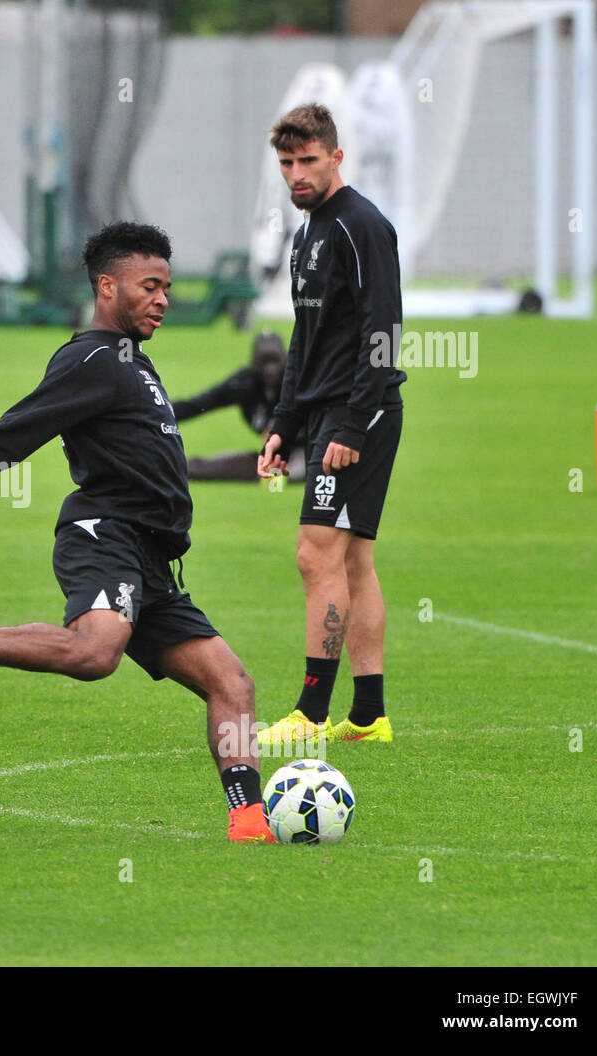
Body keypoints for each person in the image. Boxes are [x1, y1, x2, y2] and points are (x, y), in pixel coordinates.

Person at [0, 222, 276, 843]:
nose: (162, 299)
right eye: (149, 286)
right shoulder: (91, 358)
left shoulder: (131, 361)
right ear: (107, 286)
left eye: (167, 288)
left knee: (232, 682)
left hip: (151, 561)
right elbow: (27, 425)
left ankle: (249, 820)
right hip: (107, 536)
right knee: (94, 653)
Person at [256, 103, 406, 746]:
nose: (297, 174)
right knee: (354, 561)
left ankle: (310, 713)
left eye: (308, 161)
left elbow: (384, 330)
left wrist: (349, 423)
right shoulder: (307, 233)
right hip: (321, 414)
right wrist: (283, 422)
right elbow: (305, 338)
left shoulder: (362, 226)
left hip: (357, 415)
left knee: (315, 555)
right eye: (287, 163)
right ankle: (369, 716)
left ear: (336, 157)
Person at [173, 330, 304, 482]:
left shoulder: (299, 380)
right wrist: (158, 414)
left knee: (291, 474)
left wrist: (286, 429)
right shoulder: (243, 384)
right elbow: (197, 405)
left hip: (308, 450)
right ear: (254, 362)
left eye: (274, 361)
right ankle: (174, 468)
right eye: (265, 362)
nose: (270, 369)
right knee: (195, 469)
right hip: (268, 457)